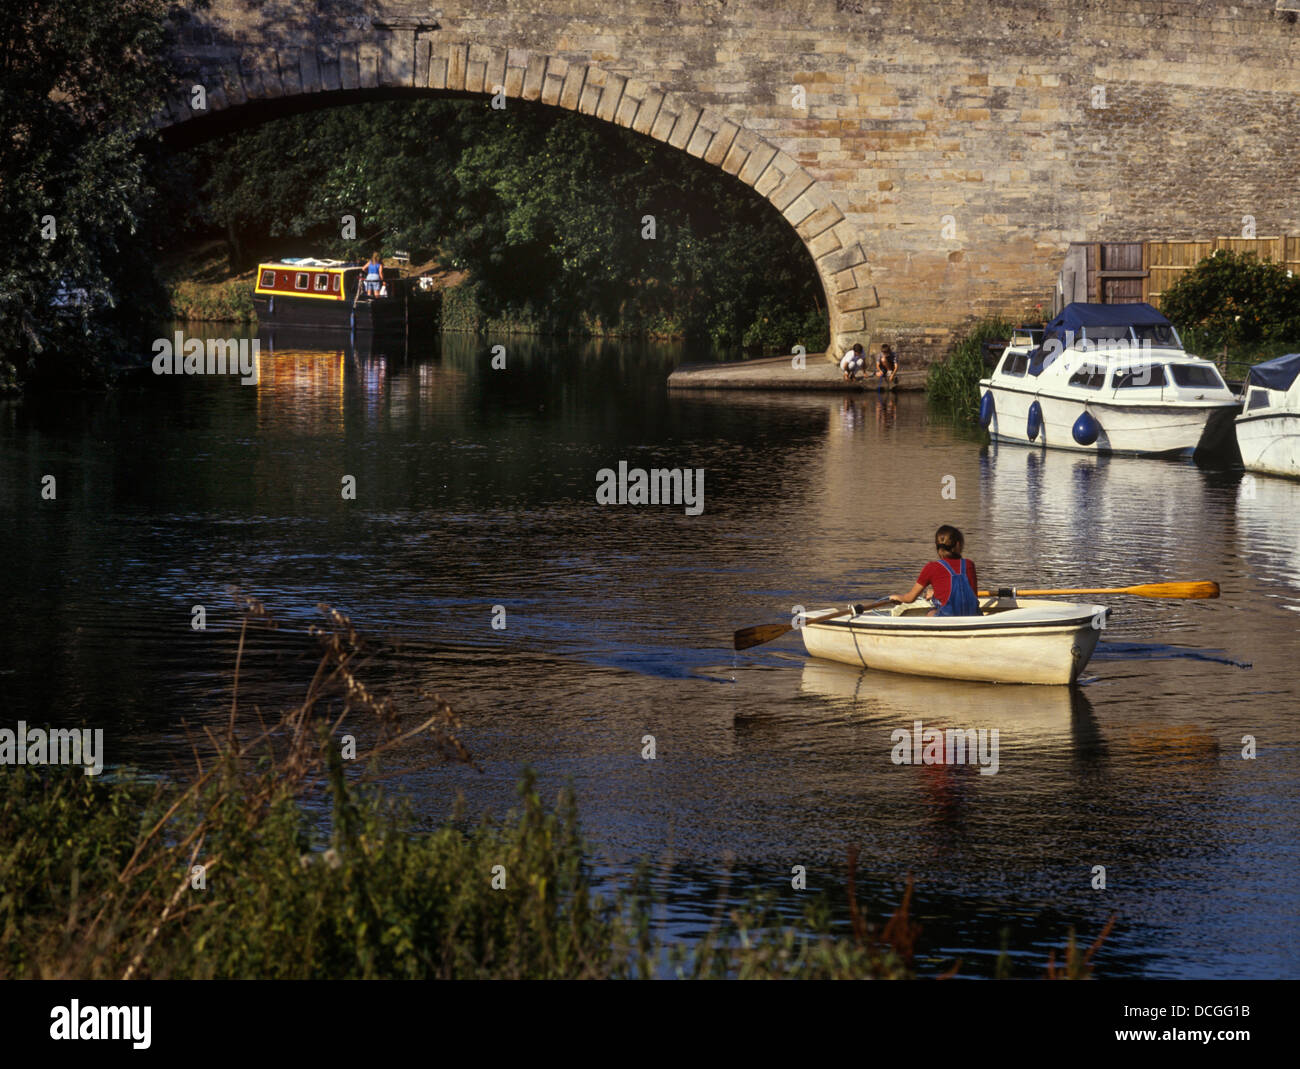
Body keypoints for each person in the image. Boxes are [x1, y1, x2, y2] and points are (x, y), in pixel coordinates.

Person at [889, 524, 980, 617]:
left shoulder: (931, 567)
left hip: (947, 618)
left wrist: (898, 597)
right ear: (958, 544)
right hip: (973, 616)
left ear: (937, 546)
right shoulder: (969, 564)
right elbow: (966, 595)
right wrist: (935, 594)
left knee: (931, 613)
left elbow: (910, 598)